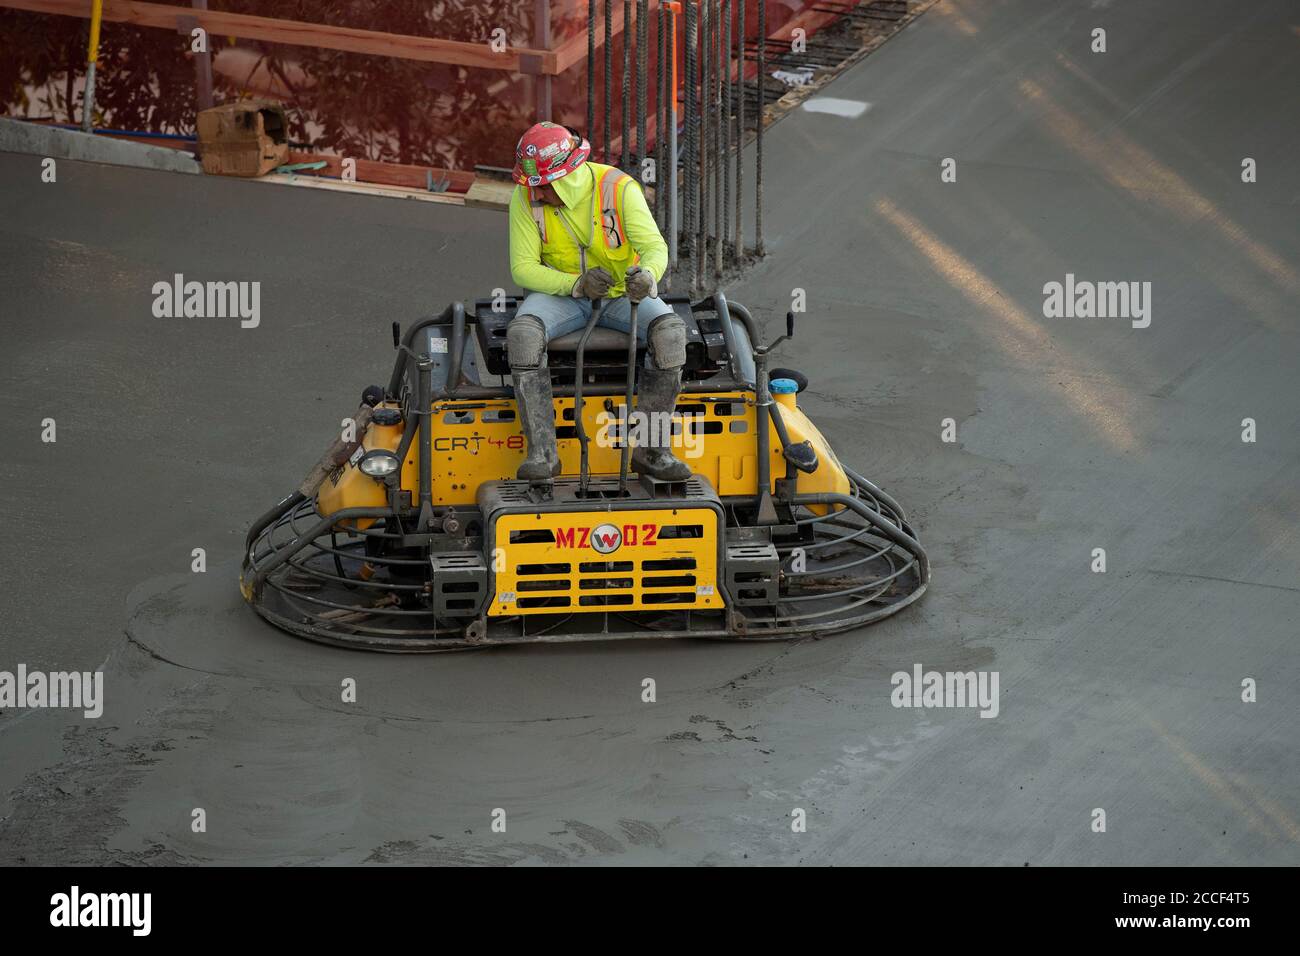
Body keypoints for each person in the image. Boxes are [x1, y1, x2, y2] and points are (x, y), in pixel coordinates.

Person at [507, 121, 690, 482]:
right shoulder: (525, 198)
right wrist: (576, 284)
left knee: (670, 334)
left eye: (542, 186)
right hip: (562, 296)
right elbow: (522, 269)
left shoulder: (619, 188)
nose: (536, 194)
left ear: (565, 178)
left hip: (622, 294)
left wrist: (648, 277)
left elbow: (655, 248)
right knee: (524, 337)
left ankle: (652, 451)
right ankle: (542, 454)